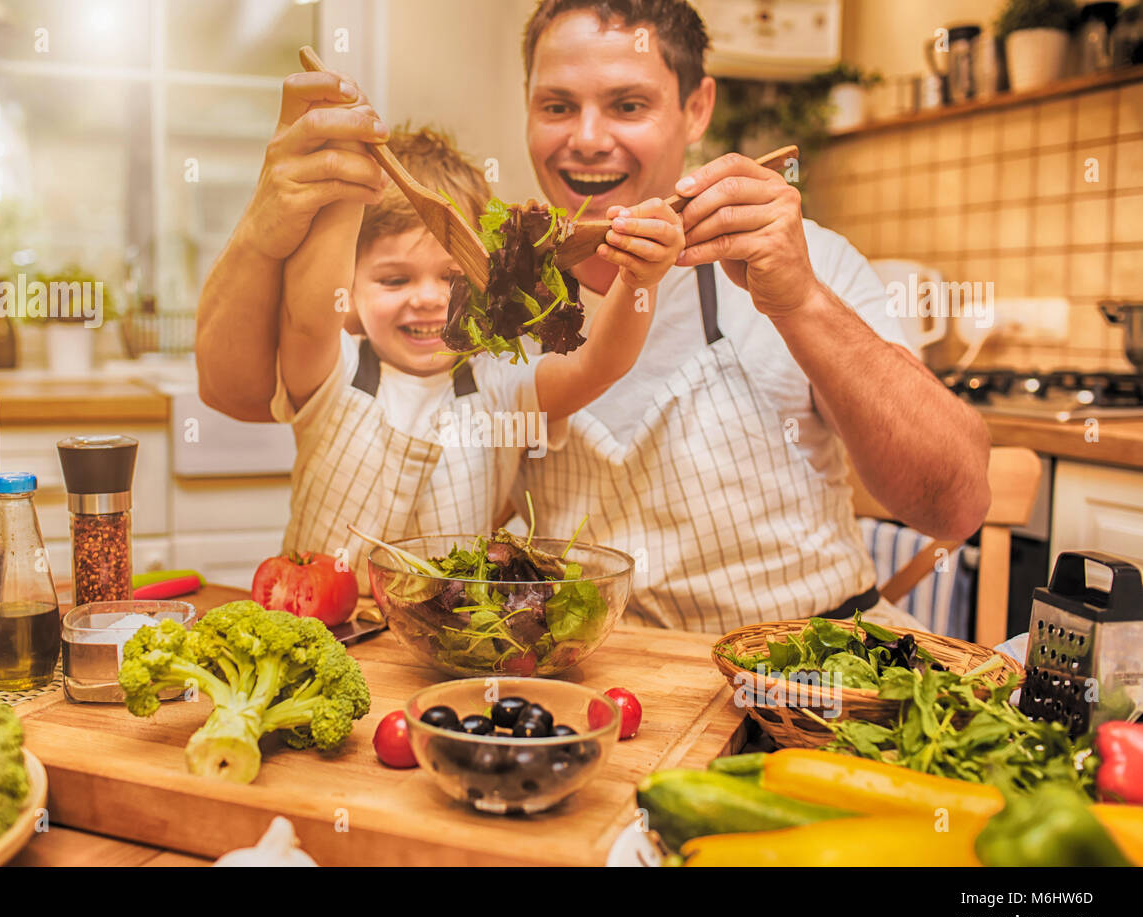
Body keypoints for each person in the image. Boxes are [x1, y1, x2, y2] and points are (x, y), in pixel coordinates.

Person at [196, 0, 991, 633]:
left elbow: (952, 506)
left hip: (806, 673)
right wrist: (270, 222)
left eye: (628, 104)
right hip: (601, 690)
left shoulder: (803, 259)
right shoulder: (488, 286)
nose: (586, 140)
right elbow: (239, 389)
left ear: (697, 106)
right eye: (557, 105)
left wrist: (801, 301)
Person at [273, 125, 683, 587]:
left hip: (451, 643)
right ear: (348, 287)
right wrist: (341, 188)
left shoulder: (500, 386)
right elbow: (307, 314)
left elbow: (598, 366)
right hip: (321, 630)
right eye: (394, 280)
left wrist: (638, 280)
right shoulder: (333, 369)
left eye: (452, 276)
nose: (428, 298)